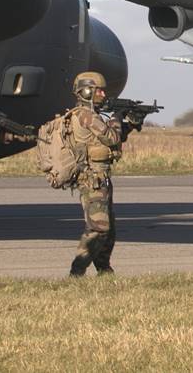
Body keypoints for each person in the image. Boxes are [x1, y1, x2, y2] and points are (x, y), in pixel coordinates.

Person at [67, 71, 126, 277]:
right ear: (86, 91)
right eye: (98, 90)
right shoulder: (86, 116)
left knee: (108, 228)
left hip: (101, 176)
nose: (102, 94)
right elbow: (111, 138)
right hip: (92, 178)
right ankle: (77, 271)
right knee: (98, 227)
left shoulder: (90, 115)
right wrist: (117, 120)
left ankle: (104, 269)